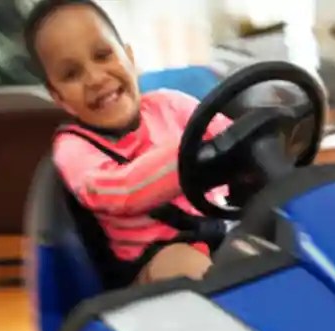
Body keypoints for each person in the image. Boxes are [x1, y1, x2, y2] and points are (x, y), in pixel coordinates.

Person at [25, 0, 233, 286]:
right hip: (149, 267)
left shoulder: (172, 104)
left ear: (130, 57)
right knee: (184, 264)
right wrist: (190, 157)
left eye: (103, 55)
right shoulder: (74, 148)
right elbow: (123, 190)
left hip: (220, 233)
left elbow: (231, 137)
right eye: (72, 74)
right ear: (58, 96)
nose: (96, 78)